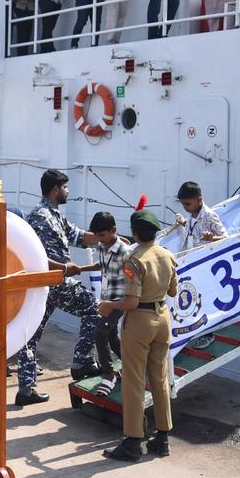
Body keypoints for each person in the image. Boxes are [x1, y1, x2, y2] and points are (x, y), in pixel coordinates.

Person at [15, 169, 103, 405]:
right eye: (65, 188)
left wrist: (105, 238)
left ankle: (26, 389)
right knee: (94, 309)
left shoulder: (54, 215)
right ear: (55, 189)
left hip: (52, 283)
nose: (67, 192)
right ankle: (82, 360)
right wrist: (64, 268)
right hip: (53, 281)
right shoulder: (42, 216)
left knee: (31, 334)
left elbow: (78, 236)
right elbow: (35, 256)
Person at [99, 209, 178, 462]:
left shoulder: (134, 260)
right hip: (163, 318)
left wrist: (110, 304)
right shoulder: (167, 255)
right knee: (160, 378)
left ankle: (133, 442)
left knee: (134, 381)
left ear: (134, 233)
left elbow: (132, 302)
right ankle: (163, 438)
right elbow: (173, 291)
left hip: (140, 322)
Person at [87, 210, 133, 398]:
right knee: (112, 337)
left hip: (118, 301)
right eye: (97, 236)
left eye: (103, 235)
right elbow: (102, 265)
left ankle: (109, 373)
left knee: (100, 332)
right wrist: (81, 268)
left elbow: (132, 274)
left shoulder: (125, 252)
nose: (100, 239)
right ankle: (131, 364)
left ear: (113, 230)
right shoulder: (102, 246)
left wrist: (130, 294)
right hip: (106, 299)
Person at [175, 181, 228, 251]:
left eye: (187, 204)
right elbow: (194, 227)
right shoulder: (191, 212)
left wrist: (211, 238)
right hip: (188, 257)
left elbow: (226, 238)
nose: (185, 207)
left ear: (199, 200)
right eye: (183, 204)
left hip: (203, 258)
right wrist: (184, 223)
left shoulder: (209, 216)